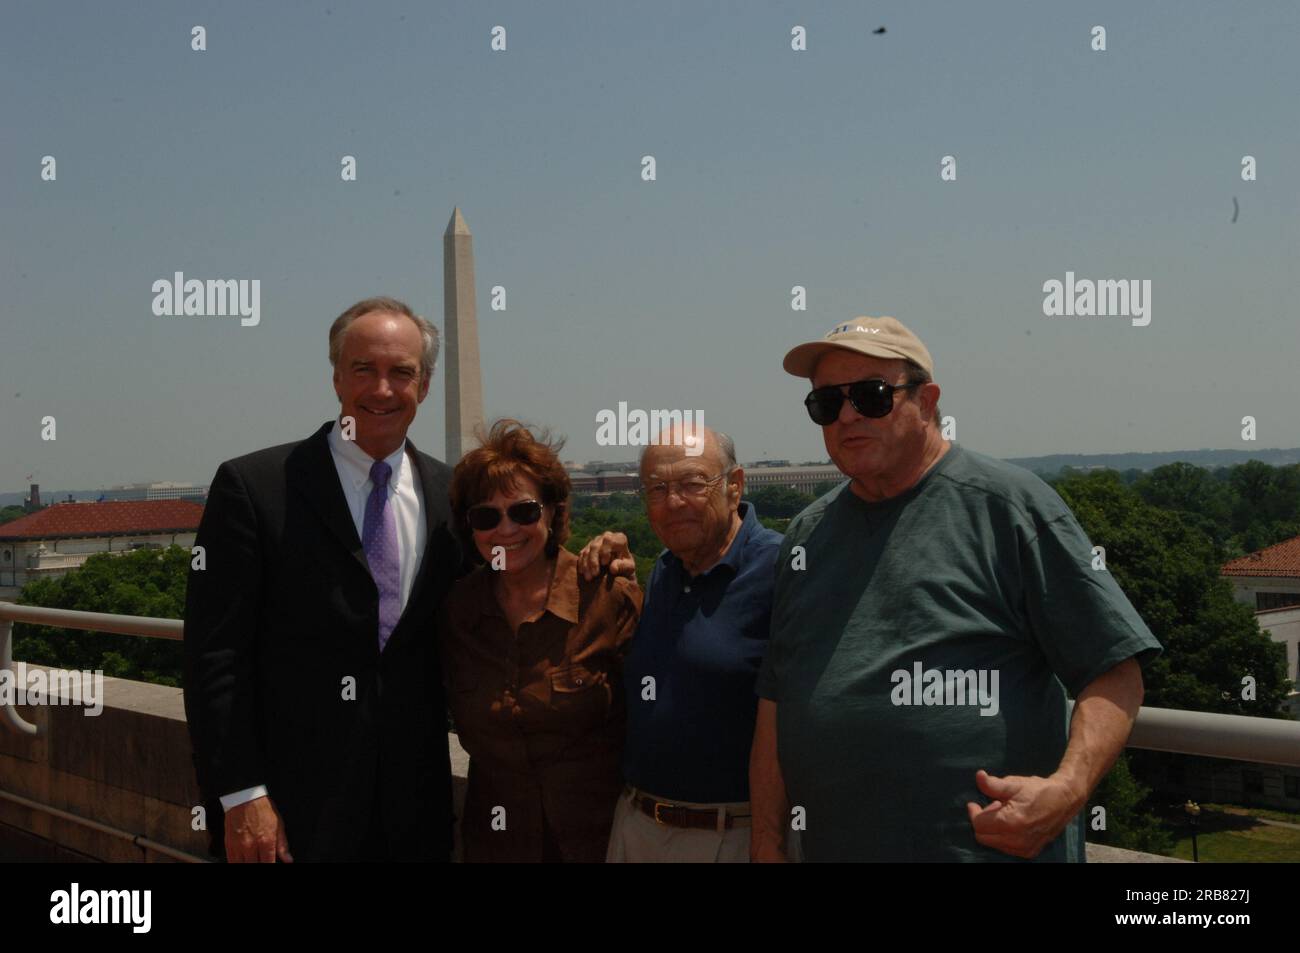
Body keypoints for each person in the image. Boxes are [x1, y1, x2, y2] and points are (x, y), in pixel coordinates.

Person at [751, 316, 1163, 862]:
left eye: (871, 396)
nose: (847, 415)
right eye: (826, 403)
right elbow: (777, 708)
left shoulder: (1010, 508)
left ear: (927, 401)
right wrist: (766, 845)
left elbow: (1116, 670)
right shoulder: (806, 535)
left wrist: (1067, 790)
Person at [183, 296, 461, 862]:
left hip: (415, 814)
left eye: (401, 372)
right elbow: (214, 657)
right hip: (288, 815)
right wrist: (242, 795)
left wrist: (601, 558)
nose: (382, 390)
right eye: (364, 369)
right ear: (336, 376)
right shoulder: (255, 488)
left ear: (425, 385)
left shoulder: (452, 495)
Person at [440, 419, 642, 862]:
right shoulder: (455, 612)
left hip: (601, 844)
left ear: (552, 511)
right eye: (486, 516)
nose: (506, 529)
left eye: (524, 511)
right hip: (495, 844)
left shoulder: (606, 596)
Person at [604, 424, 781, 863]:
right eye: (657, 488)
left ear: (735, 485)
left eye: (692, 484)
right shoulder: (666, 569)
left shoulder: (783, 570)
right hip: (637, 828)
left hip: (731, 836)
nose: (673, 502)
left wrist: (769, 845)